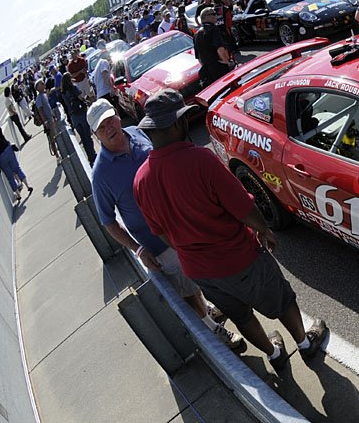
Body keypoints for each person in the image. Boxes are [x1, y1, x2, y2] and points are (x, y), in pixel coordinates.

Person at [132, 90, 327, 373]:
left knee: (239, 315)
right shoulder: (200, 159)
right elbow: (242, 206)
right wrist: (264, 230)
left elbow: (160, 233)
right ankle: (305, 344)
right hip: (238, 257)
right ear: (176, 124)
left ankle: (274, 354)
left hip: (198, 270)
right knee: (281, 299)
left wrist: (189, 246)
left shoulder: (140, 180)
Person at [87, 99, 242, 349]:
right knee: (186, 286)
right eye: (101, 127)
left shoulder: (139, 133)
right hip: (156, 241)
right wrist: (138, 249)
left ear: (117, 115)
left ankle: (207, 310)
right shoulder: (101, 175)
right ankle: (212, 329)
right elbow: (108, 222)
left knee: (202, 273)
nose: (109, 128)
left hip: (185, 221)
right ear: (94, 135)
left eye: (110, 119)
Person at [0, 121, 32, 203]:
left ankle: (18, 195)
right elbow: (4, 138)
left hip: (0, 158)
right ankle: (28, 185)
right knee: (17, 169)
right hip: (8, 150)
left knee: (10, 177)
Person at [60, 72, 97, 164]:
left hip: (73, 116)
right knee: (88, 136)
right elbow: (81, 98)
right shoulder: (73, 88)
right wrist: (87, 98)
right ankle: (93, 155)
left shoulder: (63, 93)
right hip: (81, 113)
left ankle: (89, 156)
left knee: (83, 138)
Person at [193, 8, 232, 87]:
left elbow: (199, 57)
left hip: (208, 71)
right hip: (219, 68)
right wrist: (226, 62)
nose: (216, 16)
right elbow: (220, 48)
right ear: (205, 17)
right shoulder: (214, 29)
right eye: (213, 14)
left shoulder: (196, 34)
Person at [34, 79, 61, 162]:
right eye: (41, 84)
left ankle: (59, 152)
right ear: (38, 87)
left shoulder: (44, 94)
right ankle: (57, 156)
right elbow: (40, 110)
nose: (43, 84)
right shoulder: (39, 98)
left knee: (56, 136)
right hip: (48, 122)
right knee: (52, 139)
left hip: (51, 119)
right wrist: (45, 122)